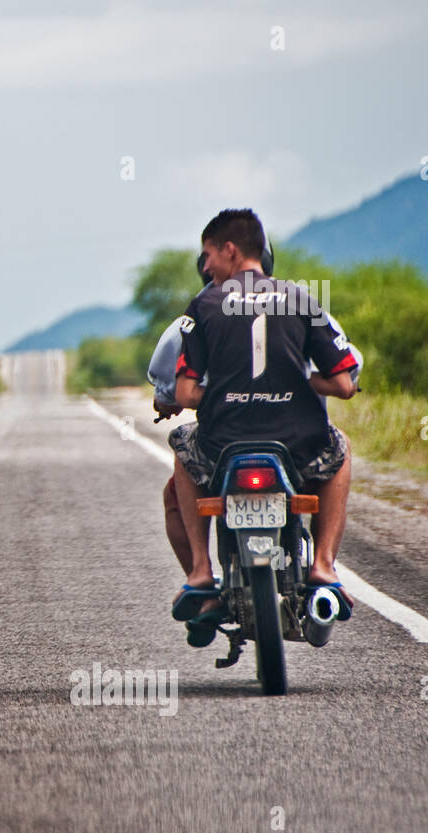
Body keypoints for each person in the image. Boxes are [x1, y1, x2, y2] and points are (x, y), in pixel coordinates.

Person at [169, 209, 359, 628]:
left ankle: (201, 571)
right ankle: (324, 566)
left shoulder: (205, 303)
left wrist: (218, 395)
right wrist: (303, 383)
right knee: (340, 449)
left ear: (230, 250)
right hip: (298, 444)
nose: (205, 266)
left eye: (208, 256)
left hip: (224, 445)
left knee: (183, 448)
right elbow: (344, 383)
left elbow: (183, 393)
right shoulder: (303, 298)